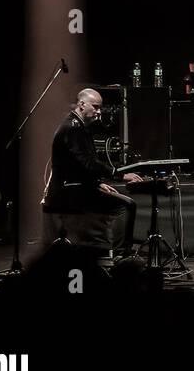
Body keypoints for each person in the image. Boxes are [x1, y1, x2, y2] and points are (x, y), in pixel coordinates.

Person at [43, 89, 142, 254]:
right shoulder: (72, 128)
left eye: (100, 107)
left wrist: (98, 183)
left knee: (122, 202)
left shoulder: (79, 125)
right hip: (69, 191)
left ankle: (104, 247)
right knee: (126, 206)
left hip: (77, 185)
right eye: (95, 107)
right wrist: (120, 174)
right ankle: (118, 254)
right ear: (82, 104)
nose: (99, 111)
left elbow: (79, 165)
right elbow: (87, 163)